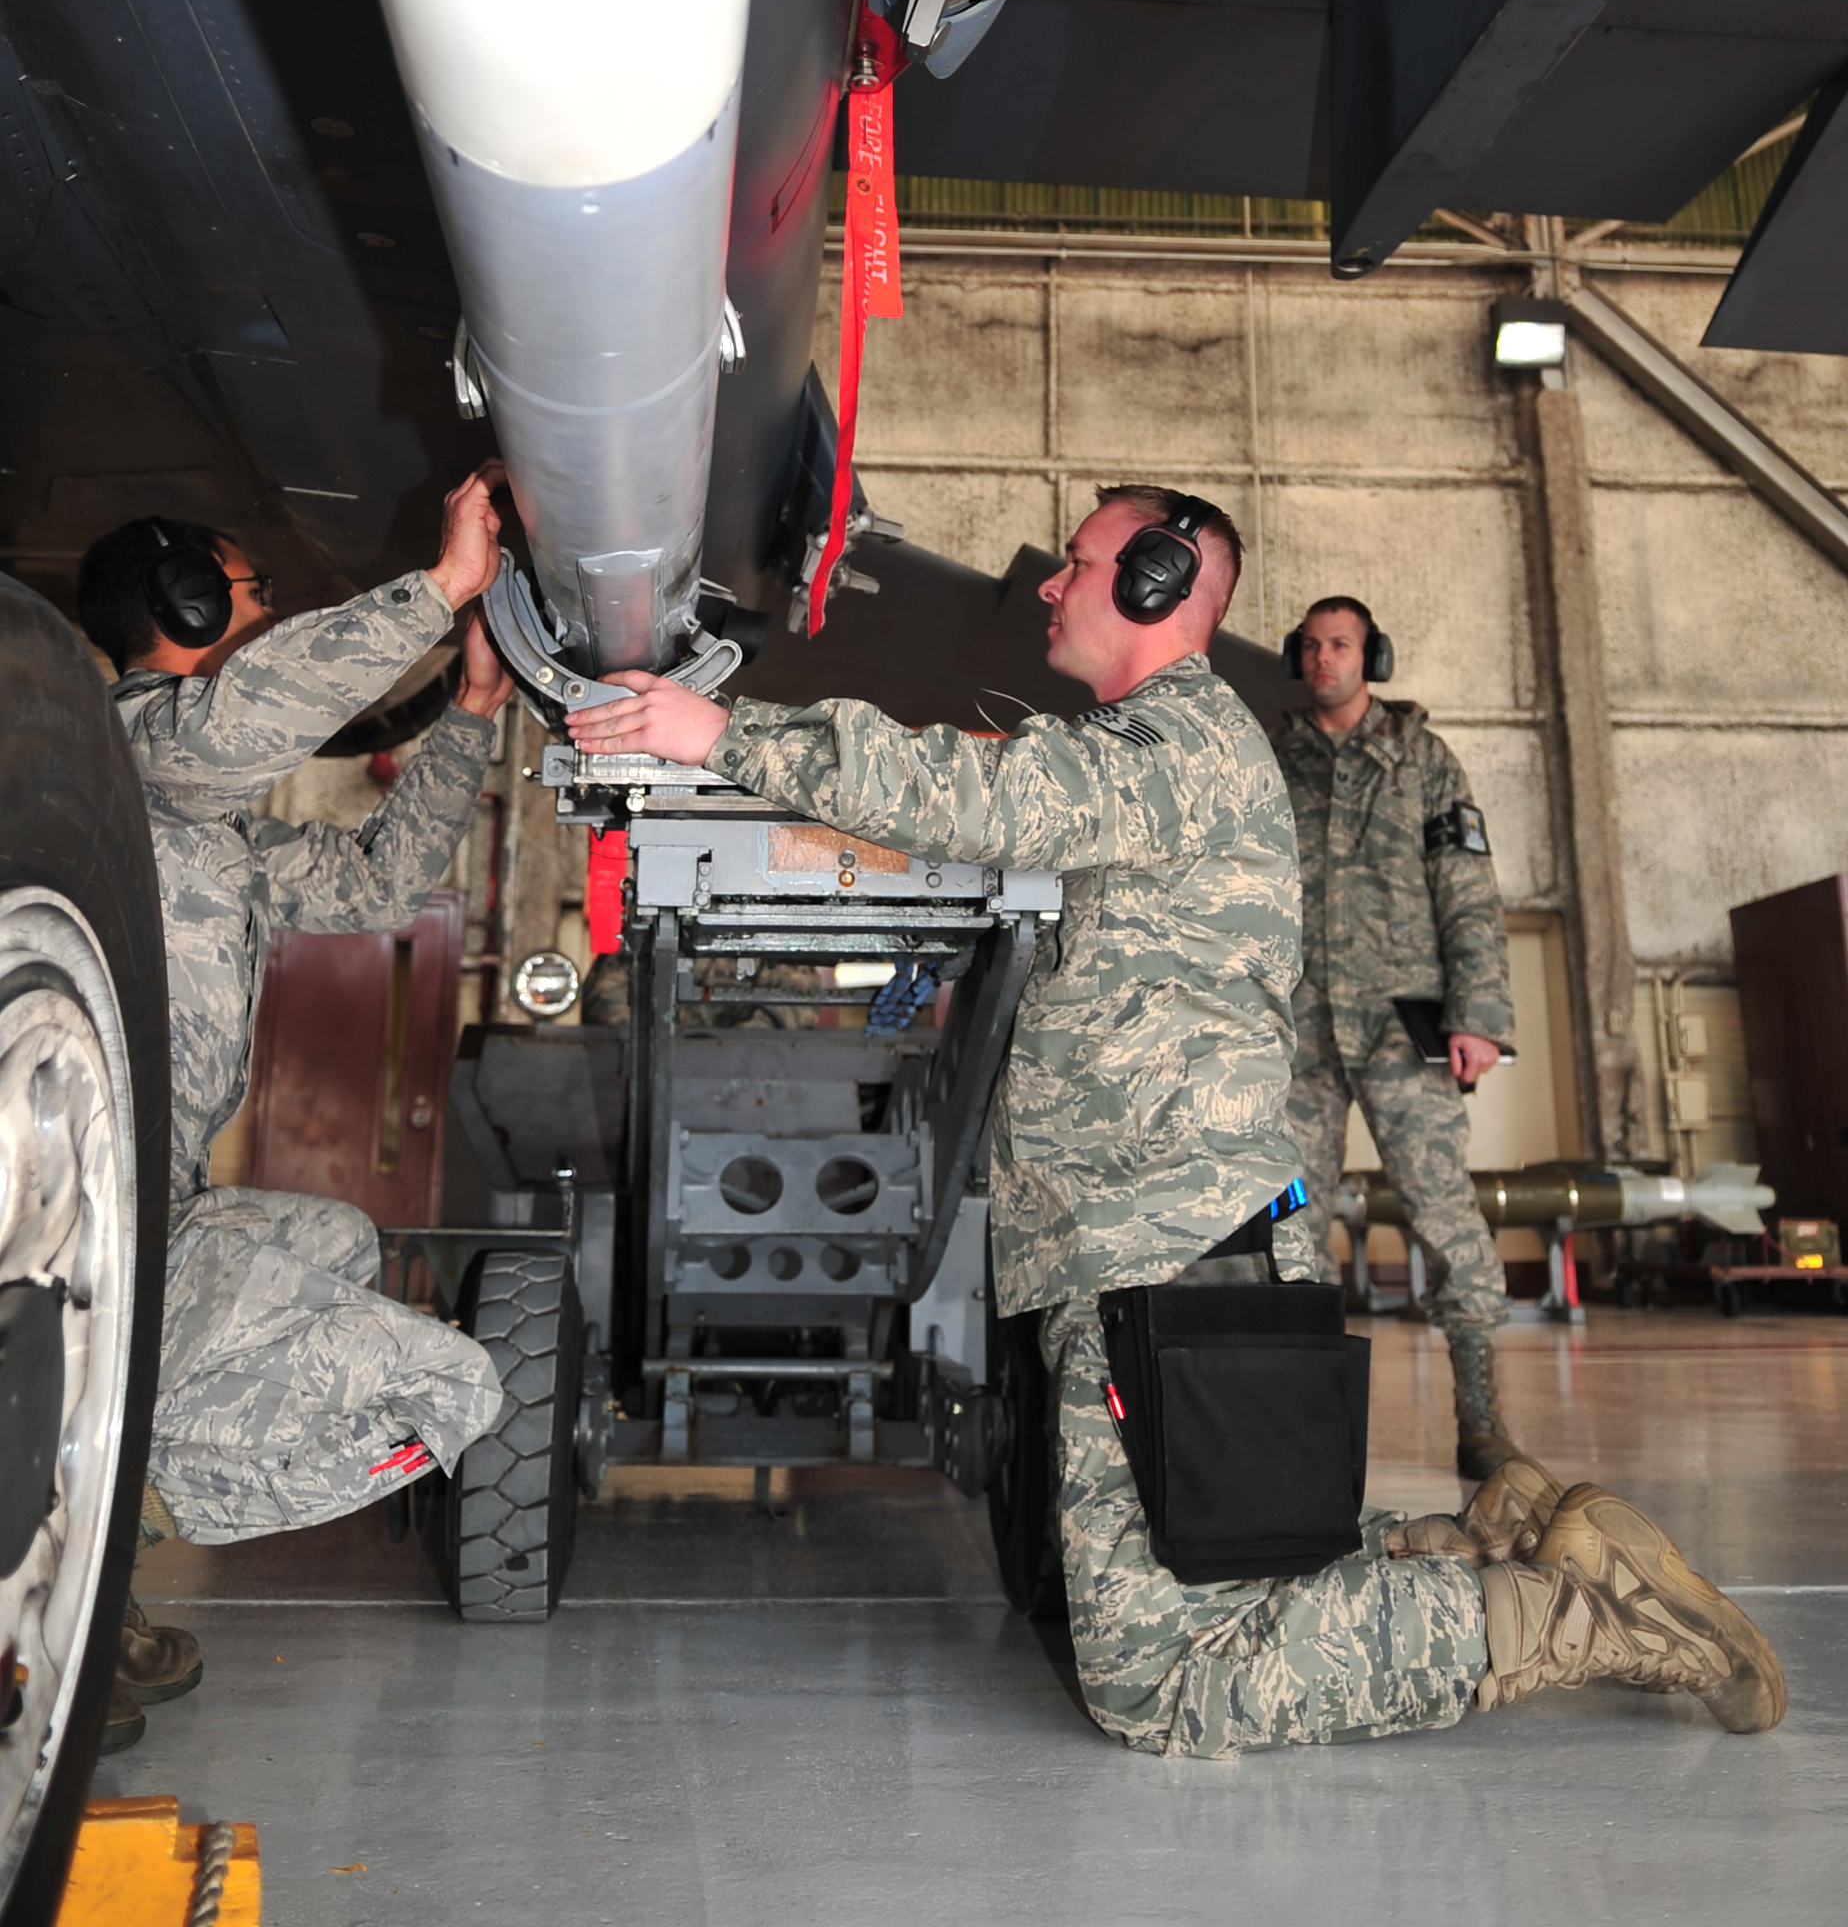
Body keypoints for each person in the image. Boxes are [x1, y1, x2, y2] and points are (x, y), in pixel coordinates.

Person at [563, 487, 1784, 1755]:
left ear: (1158, 580)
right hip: (1159, 1246)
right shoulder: (1154, 750)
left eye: (1078, 565)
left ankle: (1592, 1619)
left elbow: (978, 799)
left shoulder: (1173, 745)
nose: (1049, 584)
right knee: (1232, 1555)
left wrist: (721, 730)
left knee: (1163, 1686)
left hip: (1164, 1251)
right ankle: (1501, 1537)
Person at [76, 471, 515, 1751]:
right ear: (190, 602)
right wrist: (436, 592)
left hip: (162, 1196)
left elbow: (383, 880)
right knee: (449, 1391)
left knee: (334, 1246)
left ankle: (116, 1522)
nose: (275, 614)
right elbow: (234, 727)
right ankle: (85, 1567)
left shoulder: (211, 834)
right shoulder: (138, 747)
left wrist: (473, 714)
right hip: (80, 1209)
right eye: (257, 594)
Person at [1271, 597, 1519, 1478]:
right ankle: (1296, 1420)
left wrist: (1479, 1019)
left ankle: (1481, 1417)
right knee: (1286, 1225)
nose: (1322, 660)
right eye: (1309, 646)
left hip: (1399, 1023)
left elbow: (1468, 895)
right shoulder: (1276, 757)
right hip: (1298, 1028)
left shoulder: (1422, 760)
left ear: (1372, 654)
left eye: (1339, 645)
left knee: (1443, 1212)